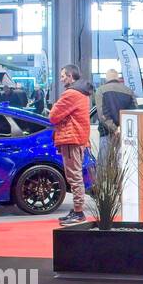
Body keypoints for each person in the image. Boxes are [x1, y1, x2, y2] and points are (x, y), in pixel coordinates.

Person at [48, 64, 91, 224]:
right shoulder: (83, 94)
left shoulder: (71, 94)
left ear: (71, 76)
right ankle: (77, 210)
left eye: (63, 75)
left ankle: (79, 213)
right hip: (76, 138)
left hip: (71, 138)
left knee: (74, 177)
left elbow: (53, 116)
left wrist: (54, 110)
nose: (61, 78)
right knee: (74, 176)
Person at [94, 68, 136, 168]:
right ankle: (120, 184)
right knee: (122, 164)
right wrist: (121, 128)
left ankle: (104, 184)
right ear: (117, 78)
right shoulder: (129, 91)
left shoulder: (101, 90)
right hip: (124, 134)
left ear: (106, 78)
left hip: (106, 133)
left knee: (104, 164)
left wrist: (114, 128)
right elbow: (134, 112)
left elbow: (102, 114)